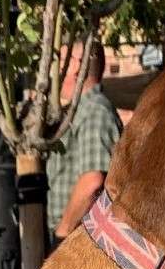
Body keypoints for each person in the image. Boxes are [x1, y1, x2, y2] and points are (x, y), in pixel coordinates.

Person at [47, 40, 122, 243]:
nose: (53, 71)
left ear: (76, 65)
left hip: (79, 239)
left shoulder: (95, 111)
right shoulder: (81, 111)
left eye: (59, 60)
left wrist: (63, 231)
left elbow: (93, 180)